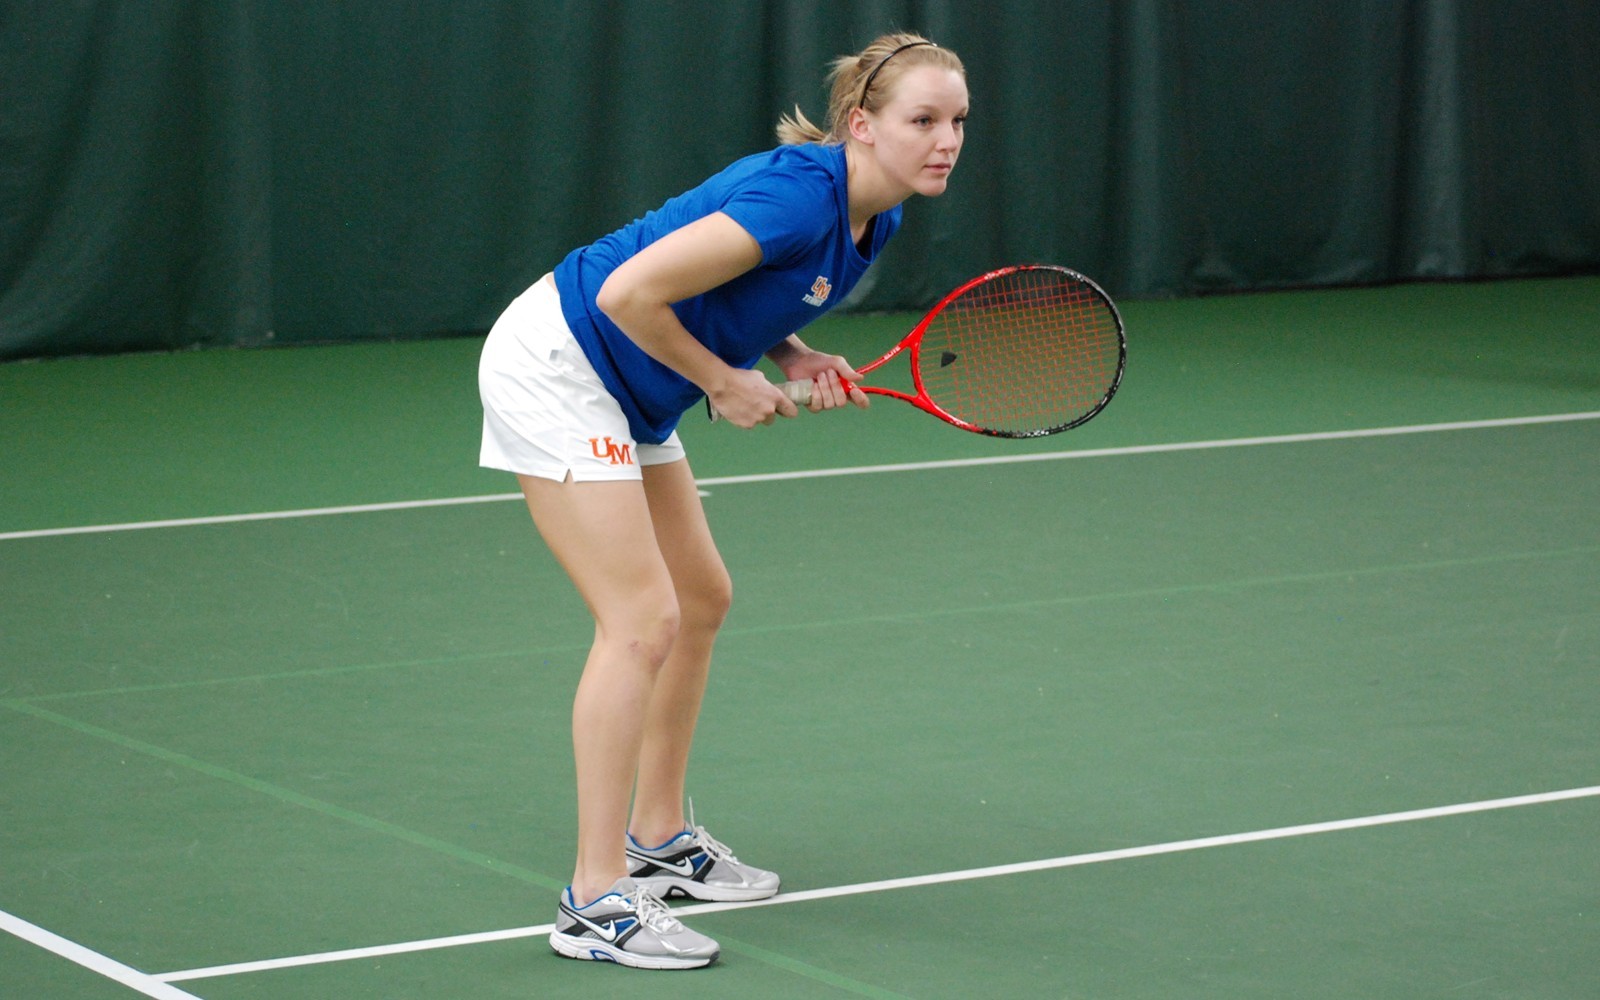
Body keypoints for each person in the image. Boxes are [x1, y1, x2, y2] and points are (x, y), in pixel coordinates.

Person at [478, 32, 968, 970]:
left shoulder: (881, 214)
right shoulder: (796, 195)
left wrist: (793, 354)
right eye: (923, 120)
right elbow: (630, 292)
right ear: (861, 126)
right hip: (563, 361)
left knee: (700, 598)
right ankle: (592, 899)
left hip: (635, 379)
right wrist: (725, 381)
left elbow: (755, 291)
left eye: (957, 122)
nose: (945, 140)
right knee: (639, 620)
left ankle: (658, 842)